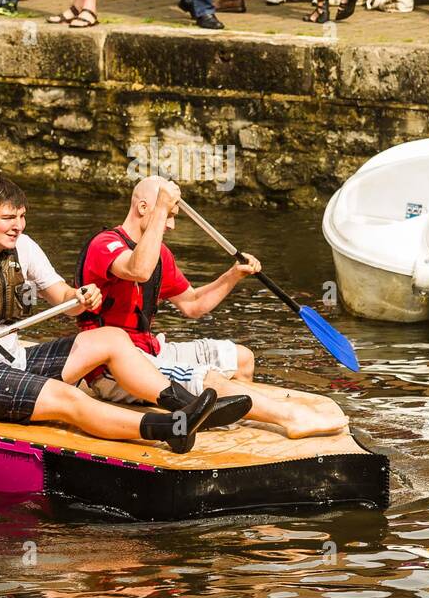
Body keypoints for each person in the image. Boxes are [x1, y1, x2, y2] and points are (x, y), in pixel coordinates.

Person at [0, 174, 238, 454]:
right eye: (8, 218)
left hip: (14, 360)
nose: (17, 226)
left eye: (21, 217)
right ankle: (169, 430)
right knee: (70, 398)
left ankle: (187, 407)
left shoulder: (24, 247)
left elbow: (63, 298)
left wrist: (81, 298)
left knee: (111, 338)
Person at [75, 177, 347, 438]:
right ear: (143, 207)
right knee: (206, 378)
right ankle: (291, 418)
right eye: (167, 215)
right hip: (114, 367)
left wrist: (233, 275)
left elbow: (193, 305)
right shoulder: (105, 244)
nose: (170, 225)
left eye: (172, 216)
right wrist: (162, 206)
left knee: (242, 357)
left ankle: (239, 422)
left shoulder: (161, 255)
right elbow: (139, 269)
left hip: (151, 350)